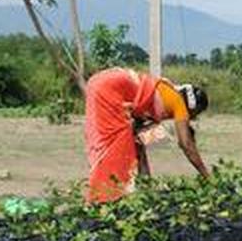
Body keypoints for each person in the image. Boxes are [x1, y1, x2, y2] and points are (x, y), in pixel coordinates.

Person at [84, 67, 210, 203]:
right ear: (193, 107)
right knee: (115, 148)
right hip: (108, 88)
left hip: (99, 82)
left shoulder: (163, 95)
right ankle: (103, 197)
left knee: (121, 143)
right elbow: (186, 144)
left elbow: (137, 142)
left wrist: (147, 185)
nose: (191, 119)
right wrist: (207, 177)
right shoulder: (178, 103)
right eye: (195, 114)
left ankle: (109, 195)